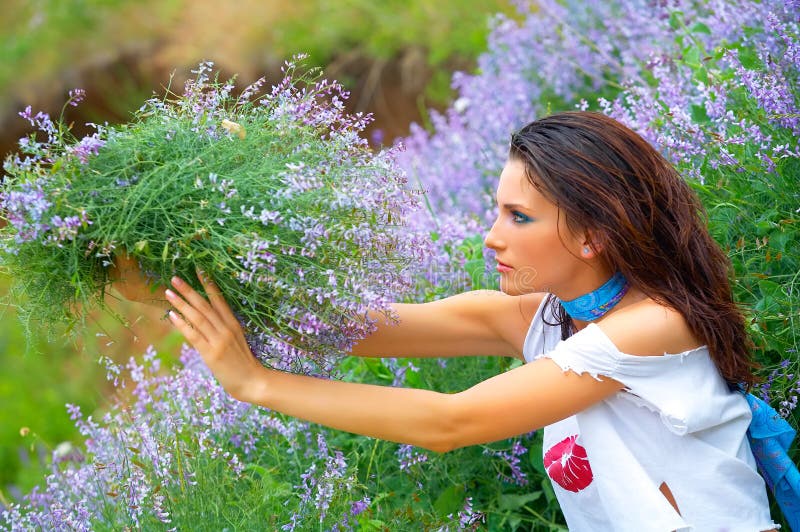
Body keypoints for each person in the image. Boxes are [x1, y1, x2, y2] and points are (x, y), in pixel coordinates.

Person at [159, 112, 779, 530]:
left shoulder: (652, 326)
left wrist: (255, 384)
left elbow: (451, 422)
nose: (491, 238)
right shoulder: (541, 319)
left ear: (592, 235)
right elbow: (343, 326)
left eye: (519, 217)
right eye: (496, 212)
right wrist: (181, 266)